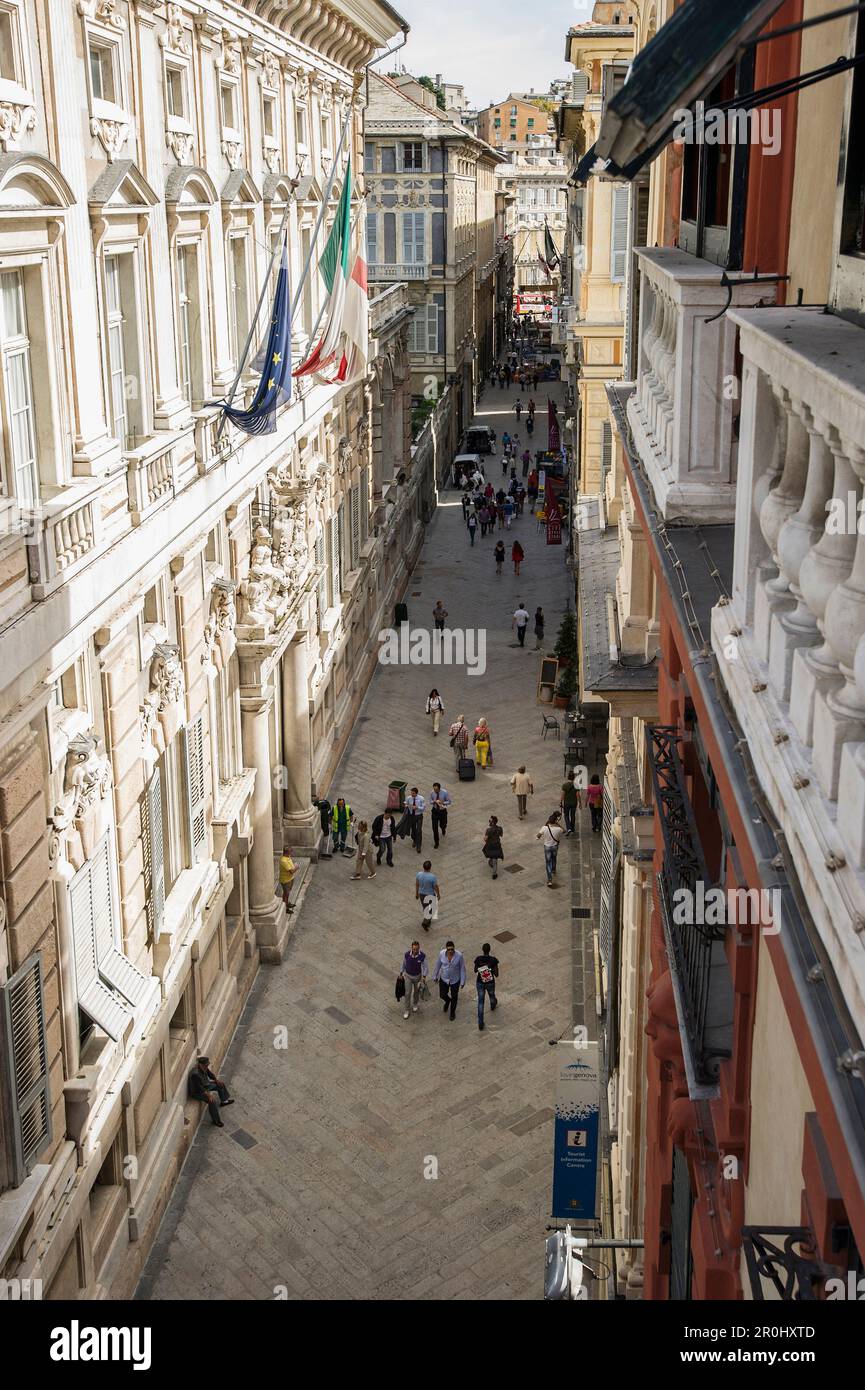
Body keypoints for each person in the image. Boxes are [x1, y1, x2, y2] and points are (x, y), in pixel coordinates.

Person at [188, 1055, 234, 1128]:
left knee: (220, 1085)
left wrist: (216, 1080)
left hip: (205, 1085)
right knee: (212, 1101)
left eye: (207, 1065)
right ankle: (216, 1121)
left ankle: (224, 1101)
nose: (207, 1067)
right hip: (198, 1092)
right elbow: (200, 1088)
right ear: (200, 1064)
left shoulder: (204, 1068)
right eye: (206, 1065)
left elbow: (210, 1074)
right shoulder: (195, 1074)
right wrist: (208, 1095)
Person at [433, 941, 466, 1021]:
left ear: (454, 948)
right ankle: (447, 1001)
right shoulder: (441, 954)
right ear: (446, 949)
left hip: (455, 980)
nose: (450, 951)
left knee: (454, 997)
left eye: (452, 949)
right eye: (449, 949)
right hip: (444, 979)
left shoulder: (459, 956)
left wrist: (462, 981)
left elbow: (462, 968)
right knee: (442, 995)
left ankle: (452, 1012)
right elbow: (438, 965)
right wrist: (435, 976)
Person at [400, 941, 428, 1019]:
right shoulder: (407, 955)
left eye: (417, 949)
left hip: (417, 976)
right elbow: (403, 963)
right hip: (408, 976)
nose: (415, 951)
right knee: (407, 993)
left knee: (416, 991)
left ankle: (415, 1003)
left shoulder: (422, 956)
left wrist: (424, 976)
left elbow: (425, 967)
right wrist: (401, 972)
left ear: (419, 948)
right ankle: (406, 1010)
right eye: (414, 949)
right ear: (411, 948)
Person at [474, 944, 500, 1031]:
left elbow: (475, 970)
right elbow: (496, 974)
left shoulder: (478, 959)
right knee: (492, 996)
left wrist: (482, 968)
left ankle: (480, 1023)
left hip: (480, 983)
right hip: (490, 983)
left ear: (482, 950)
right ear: (489, 950)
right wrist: (490, 969)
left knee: (481, 1002)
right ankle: (493, 1005)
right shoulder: (493, 960)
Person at [537, 811, 564, 887]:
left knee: (548, 862)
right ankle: (553, 869)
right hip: (555, 846)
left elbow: (538, 835)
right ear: (555, 821)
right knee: (554, 858)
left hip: (547, 847)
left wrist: (539, 836)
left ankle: (549, 880)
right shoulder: (558, 829)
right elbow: (564, 831)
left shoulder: (544, 828)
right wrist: (558, 824)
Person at [415, 859, 441, 931]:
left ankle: (427, 921)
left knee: (425, 907)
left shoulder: (419, 874)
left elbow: (417, 884)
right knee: (432, 909)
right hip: (430, 895)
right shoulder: (432, 877)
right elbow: (435, 887)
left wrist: (416, 893)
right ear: (430, 868)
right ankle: (426, 921)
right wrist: (438, 894)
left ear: (423, 867)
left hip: (422, 894)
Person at [430, 782, 452, 848]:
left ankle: (443, 829)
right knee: (434, 828)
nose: (435, 791)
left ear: (439, 788)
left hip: (442, 811)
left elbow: (449, 802)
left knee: (443, 824)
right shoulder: (432, 793)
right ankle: (436, 842)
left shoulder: (445, 792)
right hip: (435, 811)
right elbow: (430, 801)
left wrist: (443, 802)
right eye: (434, 789)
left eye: (436, 790)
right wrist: (434, 801)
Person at [482, 815, 504, 879]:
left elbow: (485, 839)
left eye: (489, 821)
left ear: (492, 822)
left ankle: (494, 872)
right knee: (495, 858)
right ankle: (494, 873)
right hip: (497, 845)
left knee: (492, 856)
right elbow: (501, 835)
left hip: (490, 846)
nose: (489, 822)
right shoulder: (500, 828)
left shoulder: (488, 830)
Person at [404, 786, 425, 852]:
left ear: (416, 793)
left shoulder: (421, 798)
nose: (412, 794)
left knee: (419, 831)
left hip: (419, 816)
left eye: (413, 793)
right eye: (411, 793)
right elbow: (405, 803)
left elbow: (423, 808)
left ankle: (419, 846)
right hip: (411, 816)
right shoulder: (409, 798)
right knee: (413, 829)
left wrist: (417, 807)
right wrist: (407, 805)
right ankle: (414, 840)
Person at [561, 770, 582, 835]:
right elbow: (578, 795)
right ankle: (572, 829)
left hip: (567, 803)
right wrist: (580, 803)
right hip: (574, 803)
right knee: (573, 815)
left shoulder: (564, 785)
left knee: (566, 816)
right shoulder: (576, 785)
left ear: (568, 777)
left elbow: (563, 795)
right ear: (574, 777)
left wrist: (560, 802)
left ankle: (569, 828)